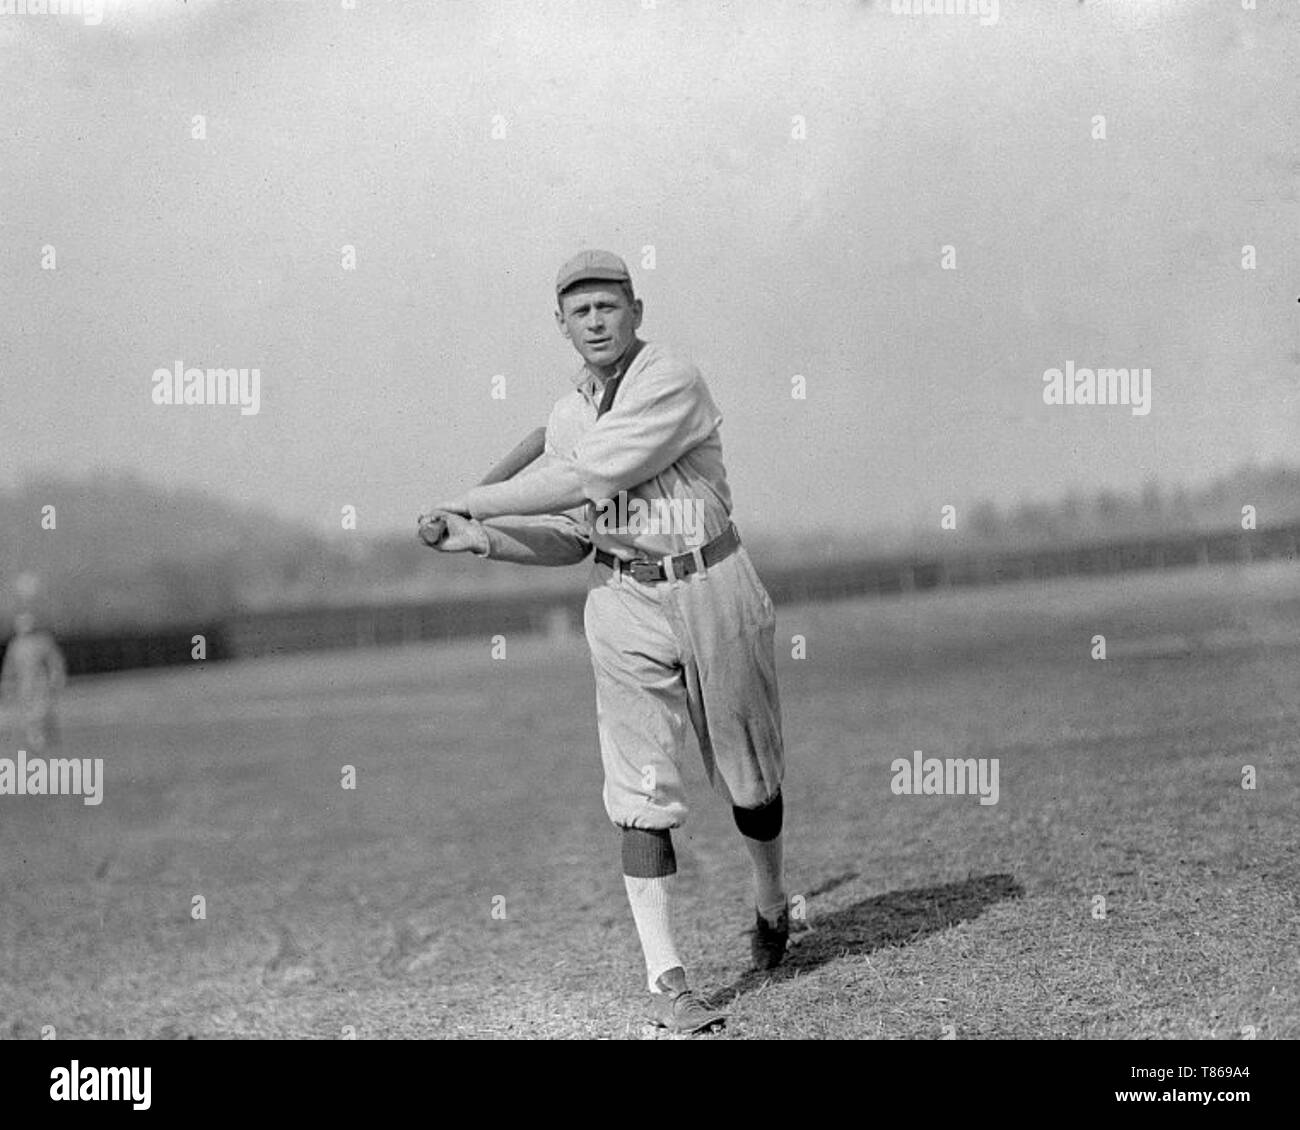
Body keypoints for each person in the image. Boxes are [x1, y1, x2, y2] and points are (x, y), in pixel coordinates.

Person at [421, 250, 788, 1034]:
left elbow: (588, 476)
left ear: (636, 313)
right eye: (580, 311)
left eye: (608, 307)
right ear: (561, 326)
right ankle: (673, 985)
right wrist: (482, 539)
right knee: (640, 793)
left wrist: (470, 498)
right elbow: (569, 533)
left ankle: (768, 897)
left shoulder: (672, 380)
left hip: (714, 580)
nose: (596, 321)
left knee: (752, 780)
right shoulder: (566, 417)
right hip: (623, 598)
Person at [1, 612, 66, 753]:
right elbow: (9, 667)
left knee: (42, 712)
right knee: (28, 715)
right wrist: (6, 684)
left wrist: (56, 678)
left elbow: (54, 662)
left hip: (40, 685)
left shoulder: (42, 642)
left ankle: (41, 738)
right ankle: (35, 740)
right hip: (24, 685)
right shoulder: (15, 646)